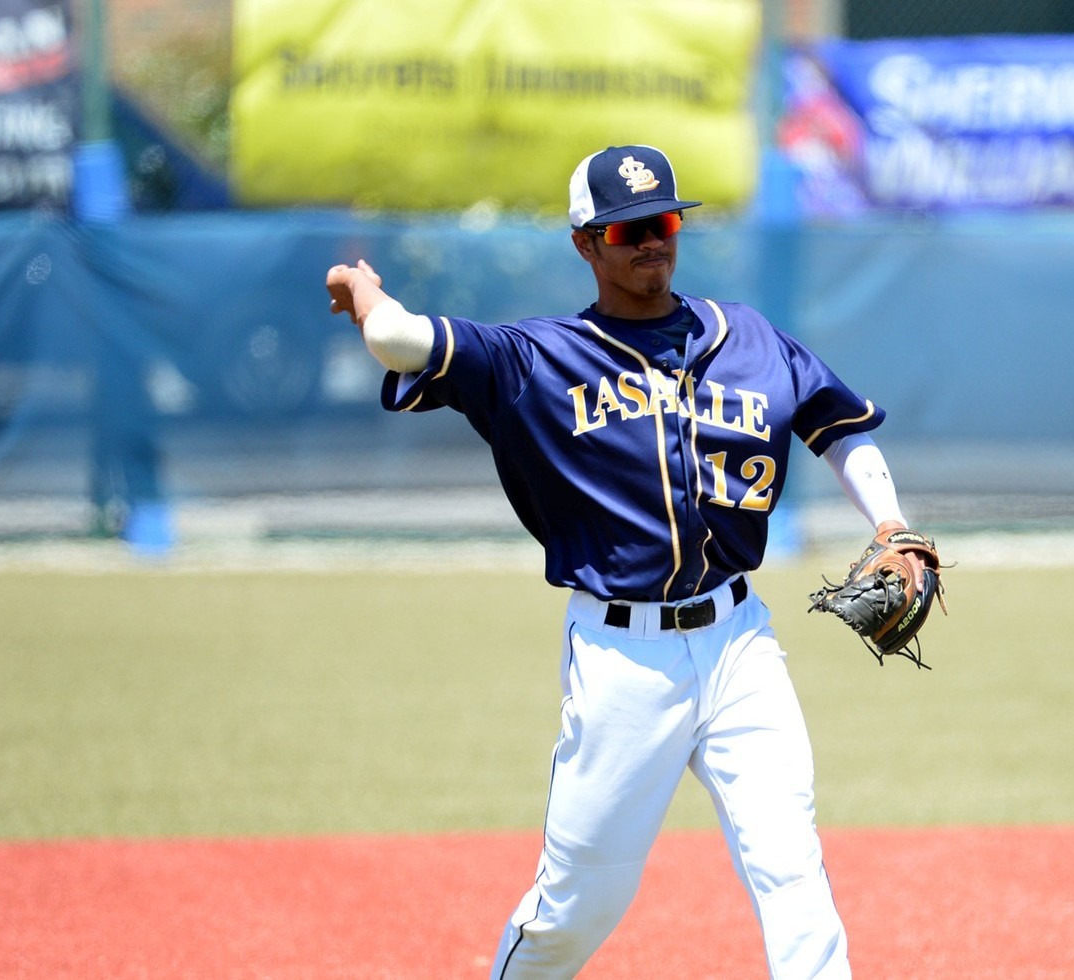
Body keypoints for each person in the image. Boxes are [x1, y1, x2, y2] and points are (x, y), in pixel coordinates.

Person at [324, 144, 921, 979]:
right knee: (577, 909)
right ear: (586, 244)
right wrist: (368, 296)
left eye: (665, 221)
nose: (653, 240)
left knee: (792, 870)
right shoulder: (535, 359)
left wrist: (891, 524)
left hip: (740, 640)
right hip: (622, 660)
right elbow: (400, 342)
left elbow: (837, 427)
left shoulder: (744, 335)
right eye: (629, 227)